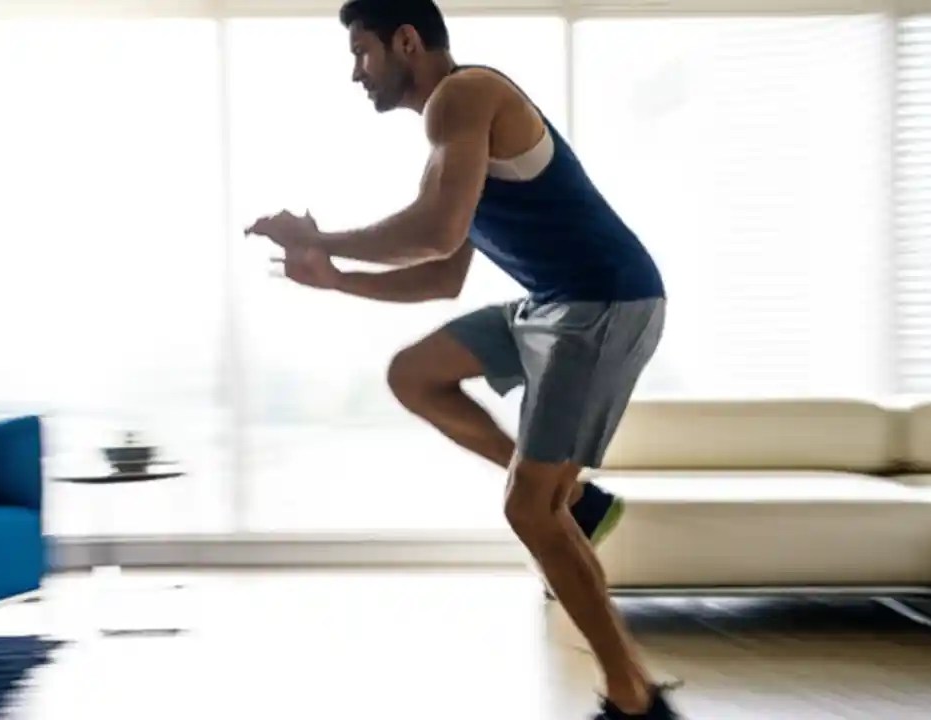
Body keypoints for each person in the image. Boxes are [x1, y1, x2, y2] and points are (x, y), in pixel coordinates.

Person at [244, 1, 676, 717]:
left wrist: (322, 242)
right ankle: (574, 499)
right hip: (553, 303)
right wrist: (338, 279)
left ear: (405, 41)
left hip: (604, 302)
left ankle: (634, 698)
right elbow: (442, 275)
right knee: (414, 374)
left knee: (525, 509)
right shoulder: (454, 132)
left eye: (362, 53)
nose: (356, 73)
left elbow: (436, 234)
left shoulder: (464, 96)